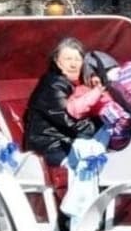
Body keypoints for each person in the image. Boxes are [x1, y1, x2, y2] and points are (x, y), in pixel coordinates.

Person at [24, 37, 101, 168]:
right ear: (57, 62)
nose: (73, 64)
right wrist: (104, 126)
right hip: (52, 145)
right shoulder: (53, 84)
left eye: (77, 59)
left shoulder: (80, 84)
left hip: (71, 141)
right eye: (68, 59)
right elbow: (68, 119)